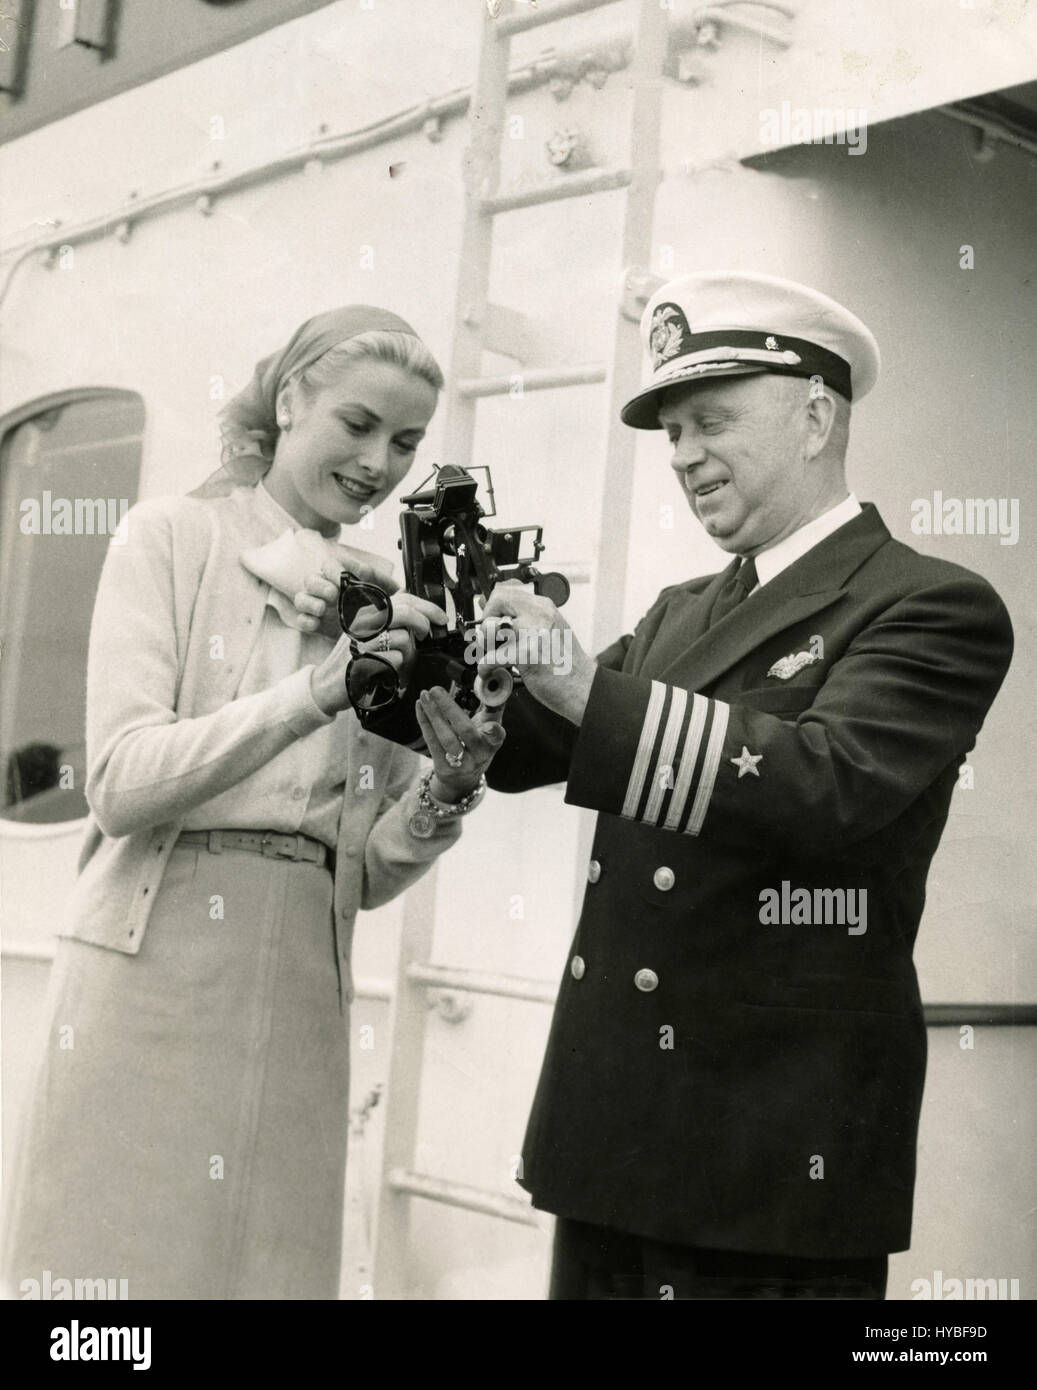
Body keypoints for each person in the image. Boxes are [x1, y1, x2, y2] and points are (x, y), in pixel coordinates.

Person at [472, 271, 1013, 1298]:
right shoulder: (683, 611)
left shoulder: (929, 605)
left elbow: (826, 785)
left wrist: (580, 685)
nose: (682, 455)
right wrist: (439, 670)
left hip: (766, 1156)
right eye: (671, 429)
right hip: (612, 1139)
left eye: (709, 419)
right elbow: (520, 750)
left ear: (814, 416)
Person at [1, 305, 504, 1301]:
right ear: (288, 401)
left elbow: (359, 871)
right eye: (356, 424)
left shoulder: (383, 599)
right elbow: (122, 779)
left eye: (404, 442)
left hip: (302, 984)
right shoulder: (172, 537)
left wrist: (447, 792)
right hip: (154, 970)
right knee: (120, 1283)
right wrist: (319, 690)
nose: (377, 462)